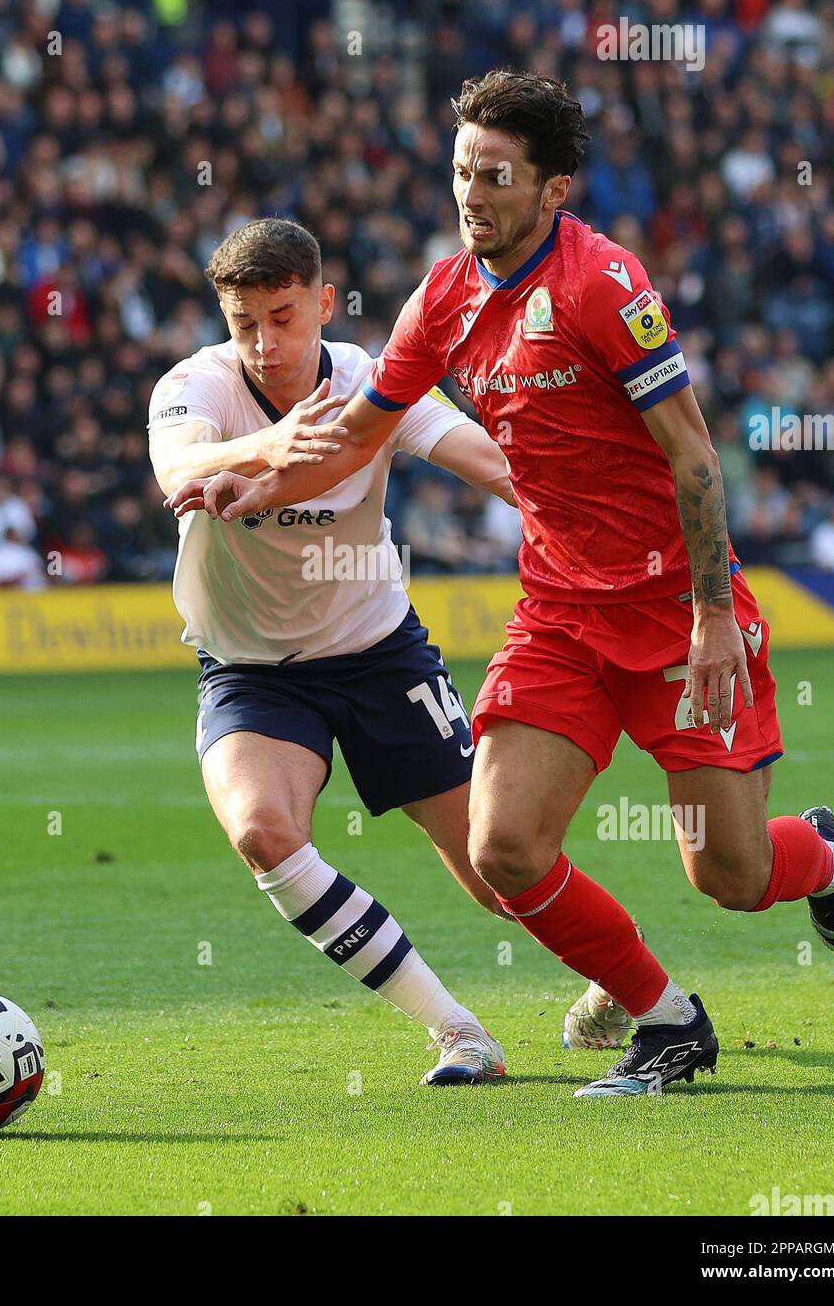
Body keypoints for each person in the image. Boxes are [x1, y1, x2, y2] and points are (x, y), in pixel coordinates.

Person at [169, 72, 834, 1098]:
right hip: (562, 614)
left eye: (495, 174)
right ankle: (668, 1022)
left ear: (554, 190)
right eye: (460, 172)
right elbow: (355, 437)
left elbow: (696, 458)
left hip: (676, 611)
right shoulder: (442, 299)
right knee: (502, 848)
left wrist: (716, 615)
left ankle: (821, 857)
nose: (471, 193)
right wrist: (248, 478)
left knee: (730, 876)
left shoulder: (604, 285)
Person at [148, 217, 520, 1086]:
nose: (265, 342)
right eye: (244, 323)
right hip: (248, 670)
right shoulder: (193, 385)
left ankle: (623, 979)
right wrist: (266, 444)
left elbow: (480, 454)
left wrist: (563, 499)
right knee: (263, 833)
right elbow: (175, 468)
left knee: (502, 869)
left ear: (322, 302)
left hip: (378, 652)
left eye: (282, 317)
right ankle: (458, 1031)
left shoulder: (367, 380)